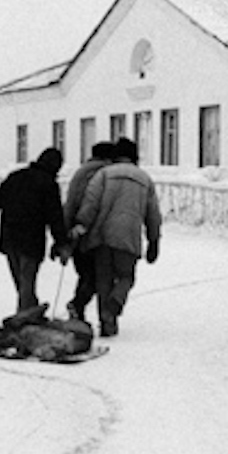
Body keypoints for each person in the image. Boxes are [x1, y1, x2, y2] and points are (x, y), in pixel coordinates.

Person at [71, 137, 162, 337]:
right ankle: (116, 303)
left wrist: (81, 225)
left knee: (103, 280)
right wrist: (154, 240)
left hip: (101, 236)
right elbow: (152, 213)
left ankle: (107, 323)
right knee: (126, 276)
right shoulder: (144, 179)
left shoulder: (103, 174)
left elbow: (90, 204)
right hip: (129, 236)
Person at [0, 147, 68, 313]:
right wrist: (62, 244)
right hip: (31, 241)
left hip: (10, 238)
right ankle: (25, 318)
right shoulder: (48, 184)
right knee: (27, 282)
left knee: (22, 282)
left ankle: (29, 312)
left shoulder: (16, 177)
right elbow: (55, 218)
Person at [60, 141, 117, 321]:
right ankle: (78, 305)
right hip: (95, 231)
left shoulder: (80, 172)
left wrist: (65, 235)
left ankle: (78, 312)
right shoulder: (104, 174)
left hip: (75, 231)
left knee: (85, 273)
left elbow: (69, 204)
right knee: (96, 276)